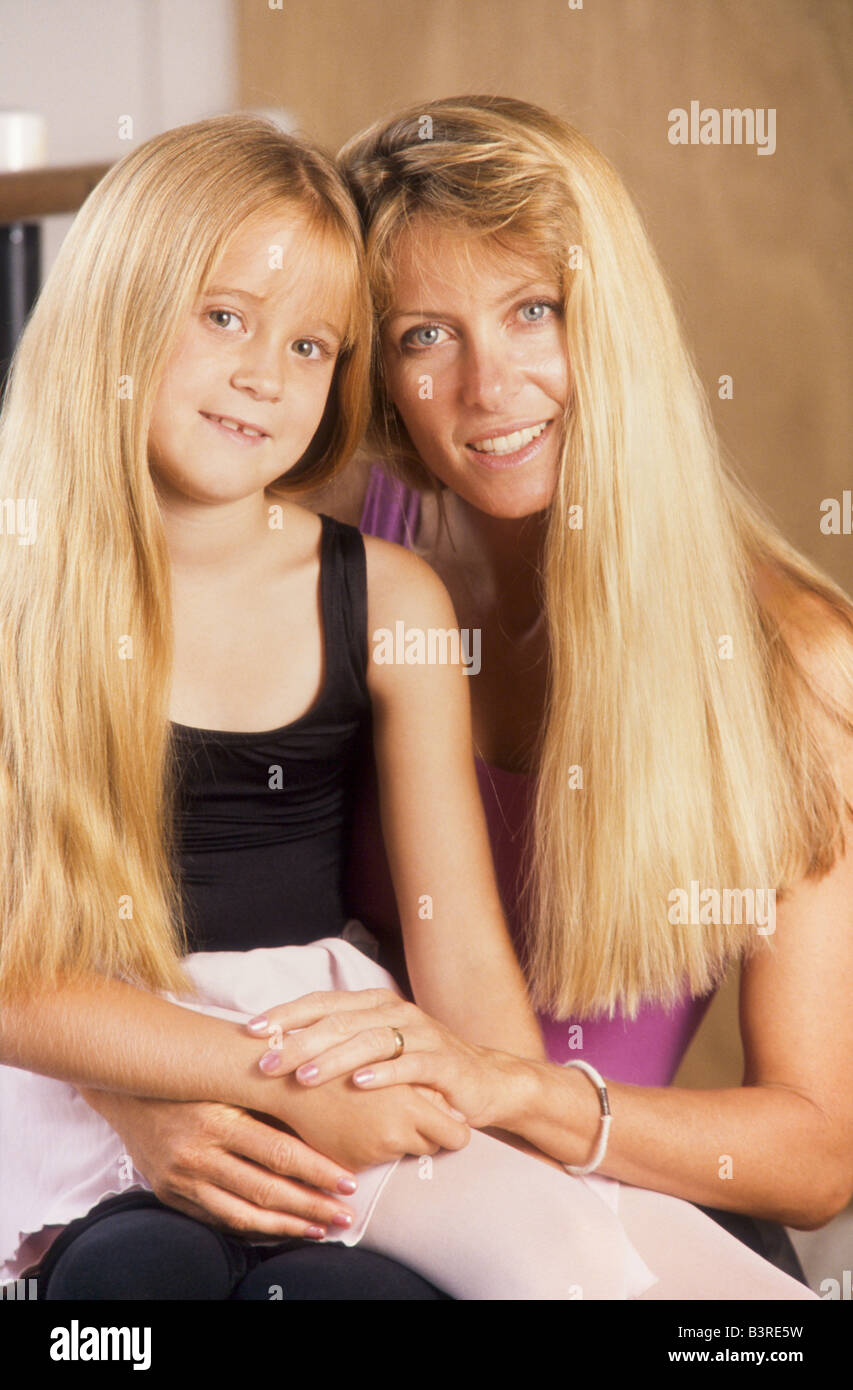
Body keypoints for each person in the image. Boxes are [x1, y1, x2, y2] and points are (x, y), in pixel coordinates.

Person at [0, 112, 815, 1302]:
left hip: (355, 1061)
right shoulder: (35, 593)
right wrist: (239, 1079)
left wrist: (472, 1089)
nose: (259, 377)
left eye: (311, 346)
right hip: (136, 1073)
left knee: (597, 1259)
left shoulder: (383, 594)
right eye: (223, 316)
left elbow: (466, 978)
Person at [258, 95, 852, 1285]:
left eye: (536, 312)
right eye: (425, 335)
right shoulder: (341, 549)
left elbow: (816, 1147)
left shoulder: (793, 663)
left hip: (606, 1201)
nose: (489, 384)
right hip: (348, 1168)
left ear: (612, 325)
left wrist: (521, 1092)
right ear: (376, 371)